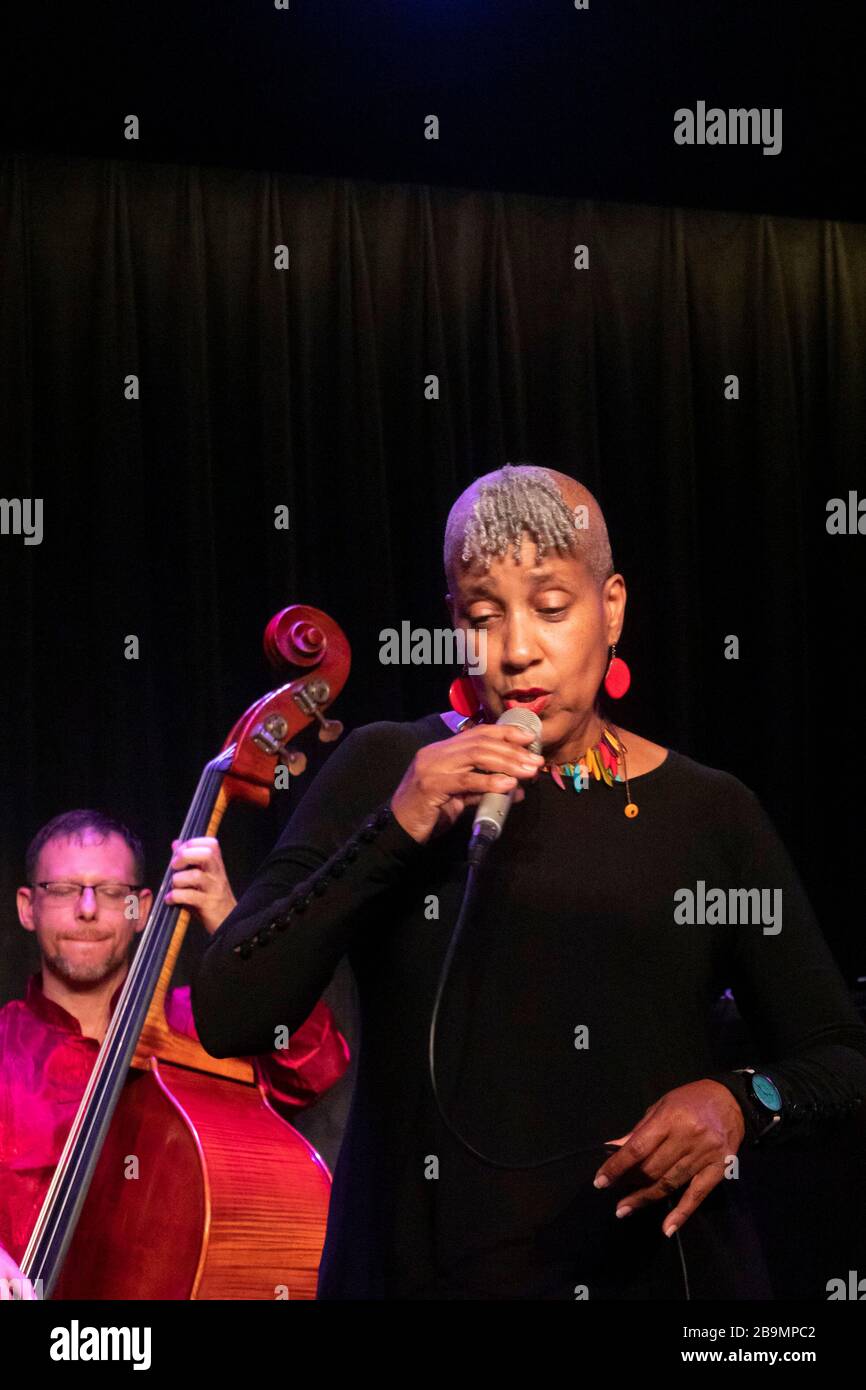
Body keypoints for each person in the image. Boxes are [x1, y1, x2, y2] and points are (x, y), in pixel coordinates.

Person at [192, 462, 866, 1300]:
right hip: (419, 1275)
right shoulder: (386, 768)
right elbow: (231, 1010)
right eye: (483, 615)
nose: (516, 650)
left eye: (552, 607)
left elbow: (840, 1058)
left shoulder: (709, 813)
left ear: (611, 608)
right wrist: (399, 825)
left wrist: (740, 1101)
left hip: (652, 1279)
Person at [0, 808, 349, 1299]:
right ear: (26, 907)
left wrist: (237, 930)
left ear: (142, 908)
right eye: (61, 890)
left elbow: (316, 1066)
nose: (86, 909)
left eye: (111, 892)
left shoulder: (206, 1029)